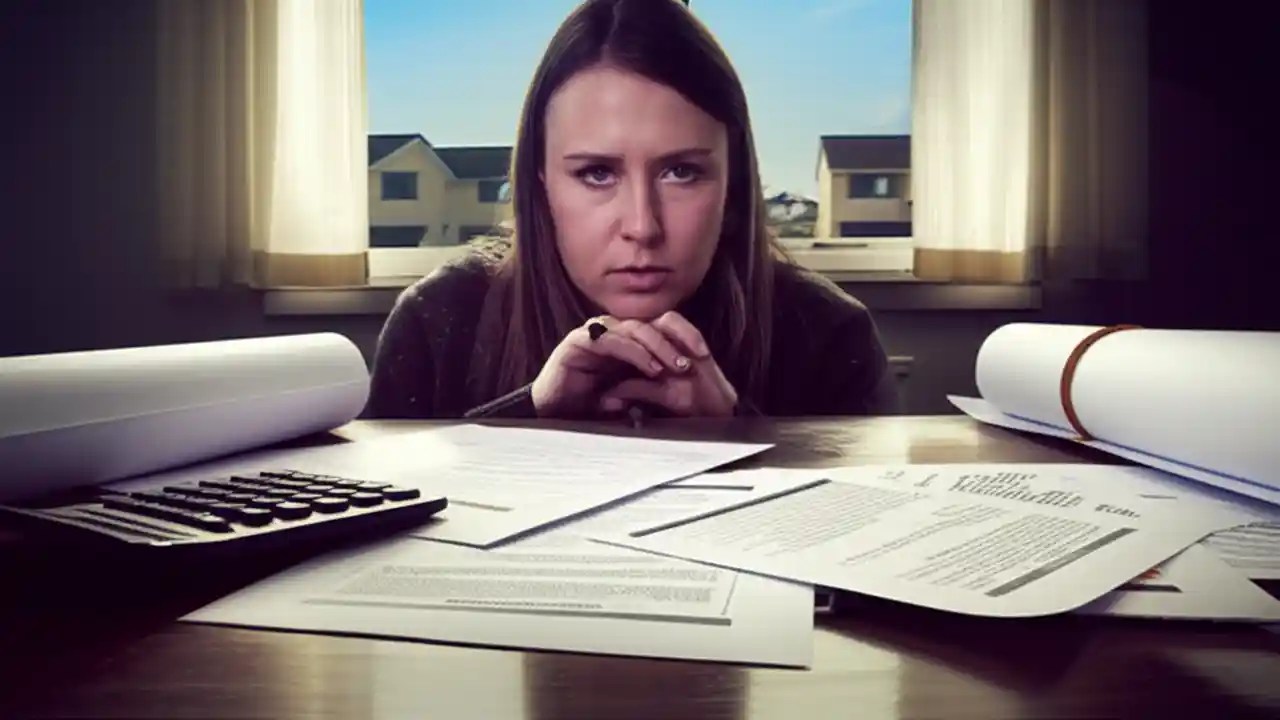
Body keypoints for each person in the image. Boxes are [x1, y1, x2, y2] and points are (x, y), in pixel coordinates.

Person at [366, 0, 898, 421]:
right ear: (541, 186)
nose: (643, 227)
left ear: (733, 185)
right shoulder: (438, 322)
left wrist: (734, 433)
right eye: (596, 173)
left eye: (681, 172)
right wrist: (529, 411)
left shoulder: (829, 334)